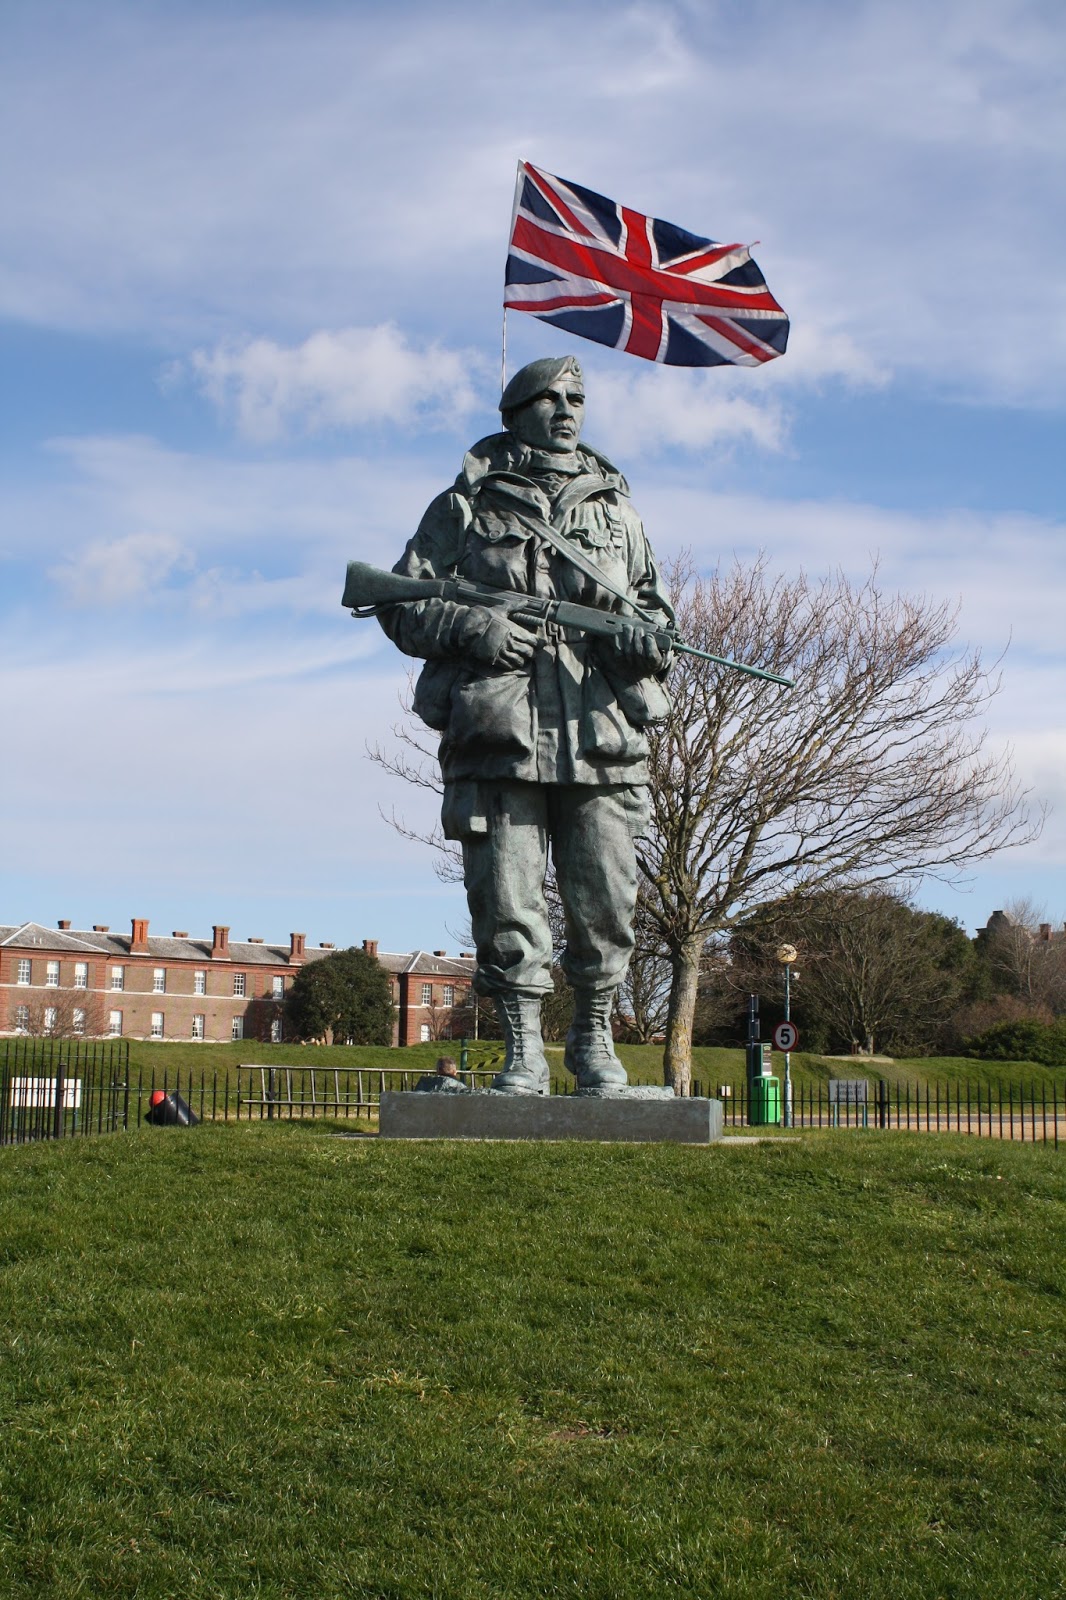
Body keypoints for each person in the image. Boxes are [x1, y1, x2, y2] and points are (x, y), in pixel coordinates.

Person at [379, 355, 673, 1094]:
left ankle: (594, 1041)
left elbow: (655, 612)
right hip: (499, 734)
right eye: (549, 397)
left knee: (606, 901)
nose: (568, 409)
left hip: (602, 736)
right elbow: (399, 602)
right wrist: (474, 630)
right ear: (516, 412)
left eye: (577, 397)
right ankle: (522, 1050)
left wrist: (643, 641)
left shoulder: (619, 513)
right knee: (506, 900)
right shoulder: (465, 507)